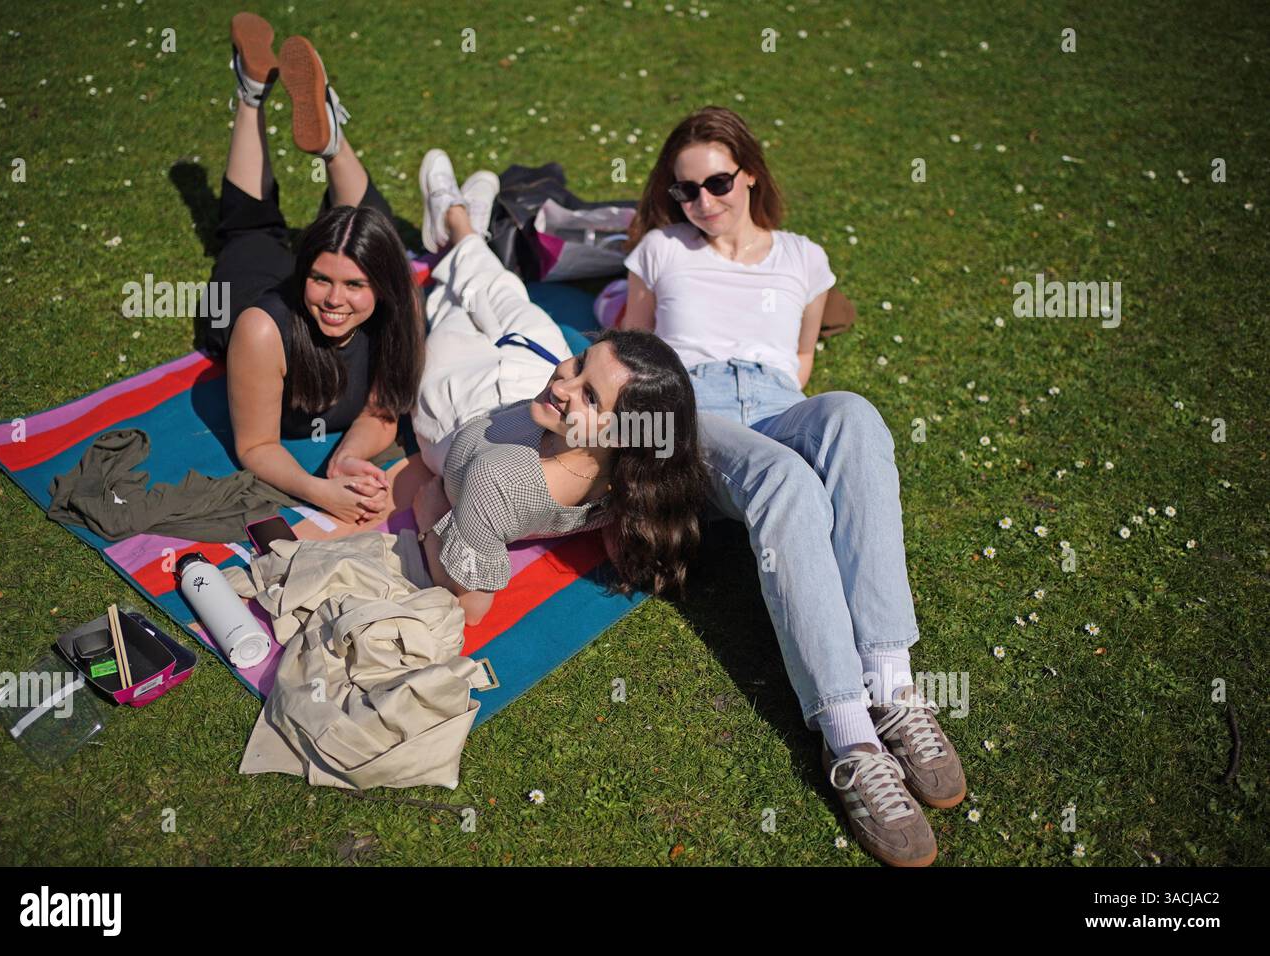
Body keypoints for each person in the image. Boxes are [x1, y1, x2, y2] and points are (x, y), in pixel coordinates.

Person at [619, 106, 965, 867]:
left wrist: (786, 402)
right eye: (685, 192)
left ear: (749, 175)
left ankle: (895, 691)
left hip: (779, 402)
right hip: (694, 410)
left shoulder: (805, 257)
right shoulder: (660, 251)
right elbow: (632, 352)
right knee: (785, 481)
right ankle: (850, 738)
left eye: (717, 184)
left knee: (855, 418)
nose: (702, 204)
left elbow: (801, 364)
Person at [407, 150, 708, 627]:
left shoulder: (499, 481)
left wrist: (427, 521)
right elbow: (570, 385)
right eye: (583, 362)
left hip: (459, 408)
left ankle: (455, 229)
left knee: (449, 307)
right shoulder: (636, 470)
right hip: (529, 370)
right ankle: (463, 228)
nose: (566, 383)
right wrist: (577, 387)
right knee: (502, 291)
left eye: (591, 396)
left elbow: (471, 608)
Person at [196, 13, 426, 527]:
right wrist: (320, 490)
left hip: (350, 282)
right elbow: (256, 445)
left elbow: (383, 409)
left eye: (355, 285)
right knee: (250, 233)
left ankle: (331, 140)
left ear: (382, 290)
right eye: (321, 278)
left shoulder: (399, 307)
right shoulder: (260, 329)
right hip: (249, 294)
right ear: (304, 271)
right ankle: (252, 90)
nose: (334, 300)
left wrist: (348, 458)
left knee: (372, 234)